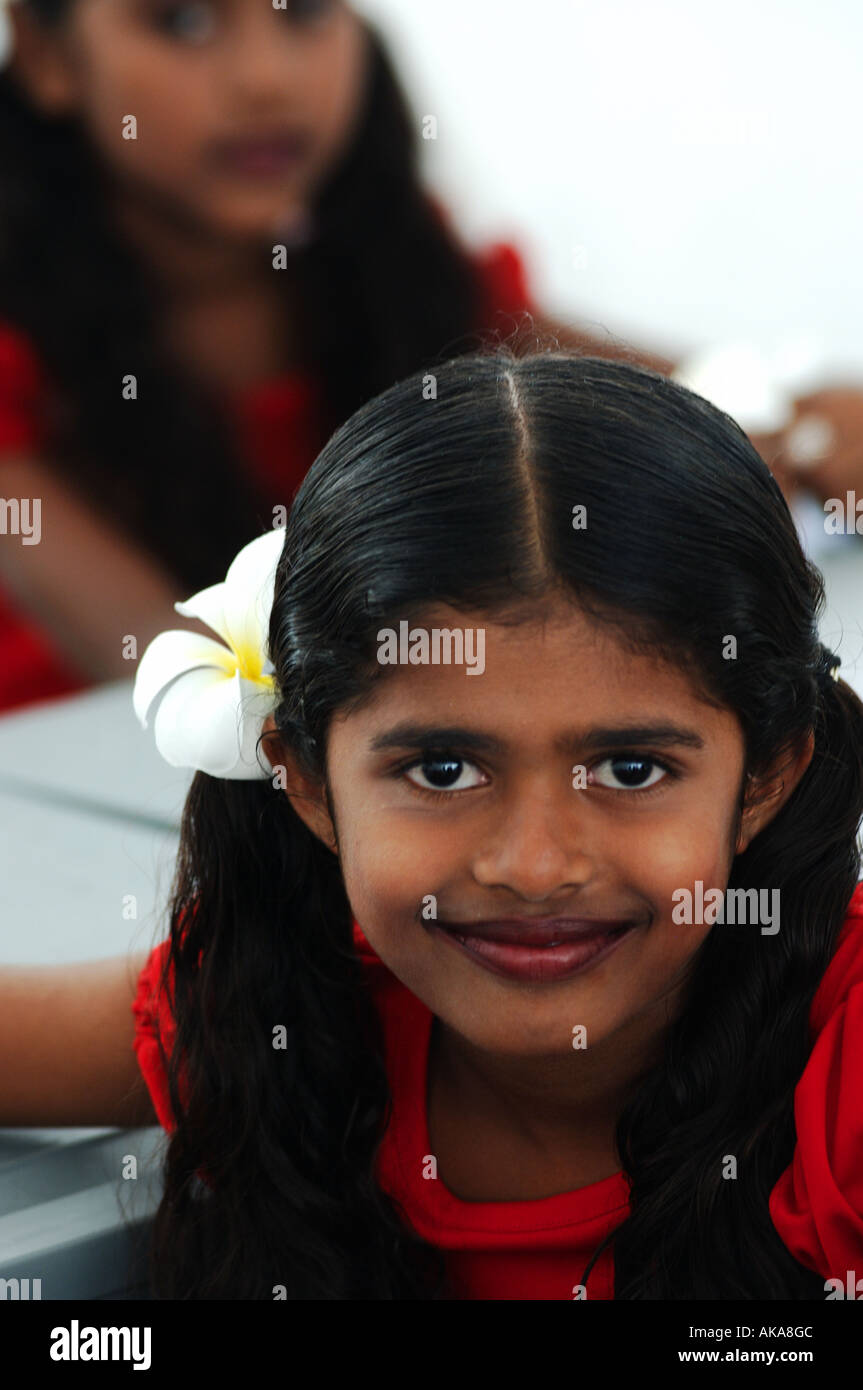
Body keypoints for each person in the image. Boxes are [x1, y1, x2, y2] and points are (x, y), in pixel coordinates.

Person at [4, 344, 862, 1299]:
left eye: (630, 769)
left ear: (766, 779)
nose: (534, 867)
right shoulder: (283, 1002)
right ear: (307, 781)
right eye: (443, 770)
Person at [0, 0, 678, 714]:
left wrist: (777, 424)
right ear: (48, 58)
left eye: (309, 13)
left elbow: (672, 400)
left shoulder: (399, 266)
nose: (268, 80)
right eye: (183, 23)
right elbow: (194, 675)